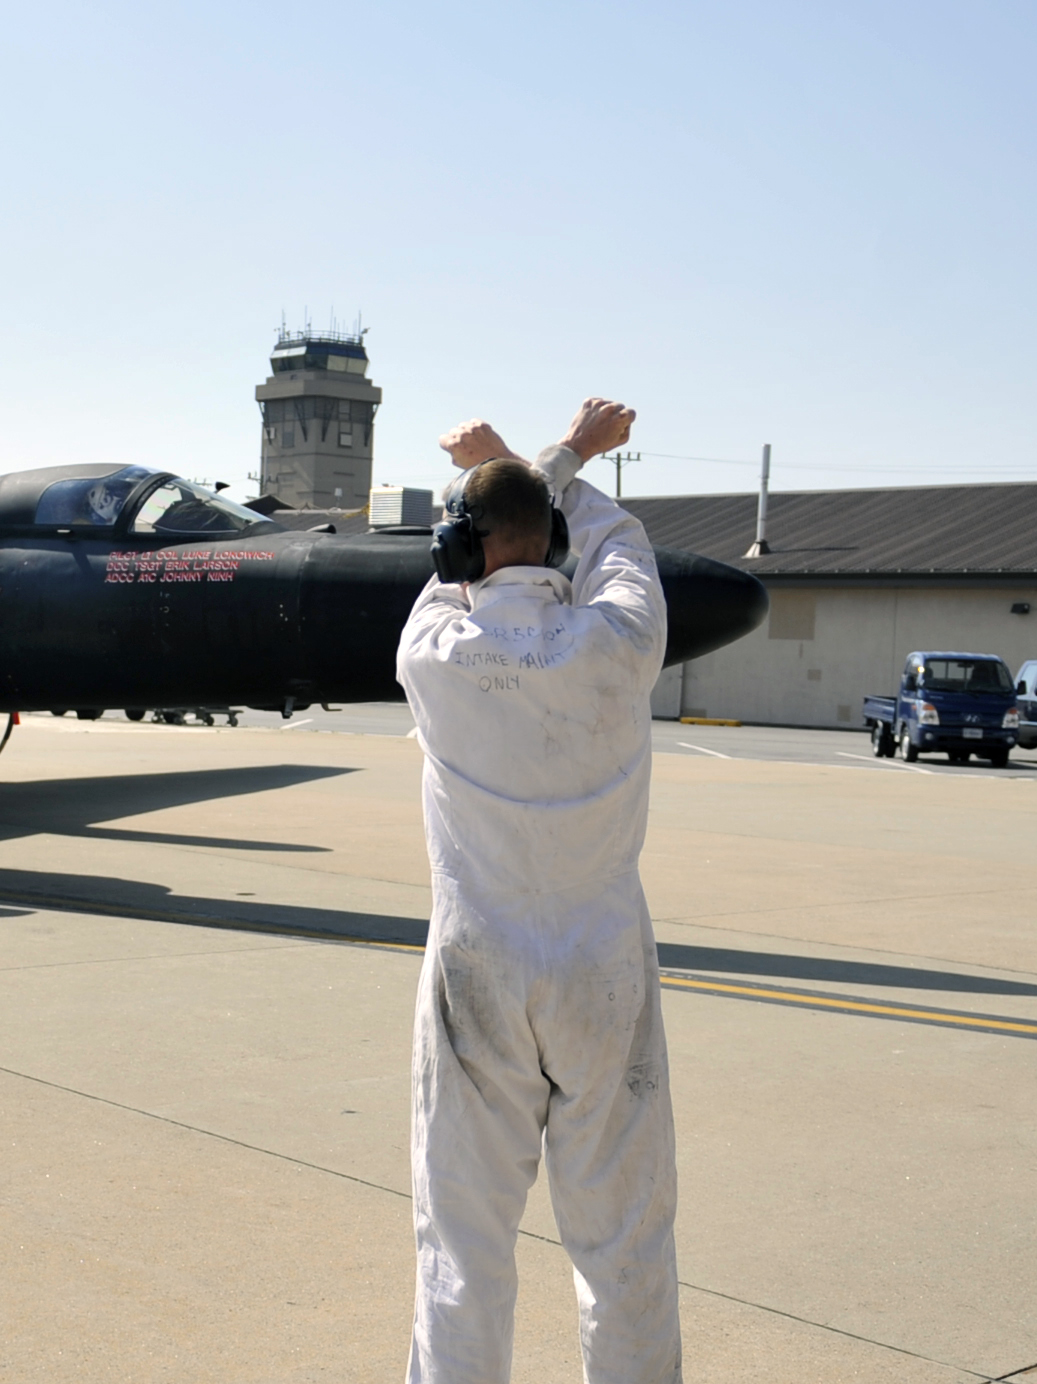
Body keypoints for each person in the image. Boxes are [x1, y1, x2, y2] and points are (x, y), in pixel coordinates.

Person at [396, 398, 679, 1383]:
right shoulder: (623, 640)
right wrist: (565, 458)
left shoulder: (431, 652)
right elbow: (607, 536)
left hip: (478, 970)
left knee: (462, 1249)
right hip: (601, 967)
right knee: (625, 1246)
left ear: (454, 550)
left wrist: (527, 462)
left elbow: (469, 557)